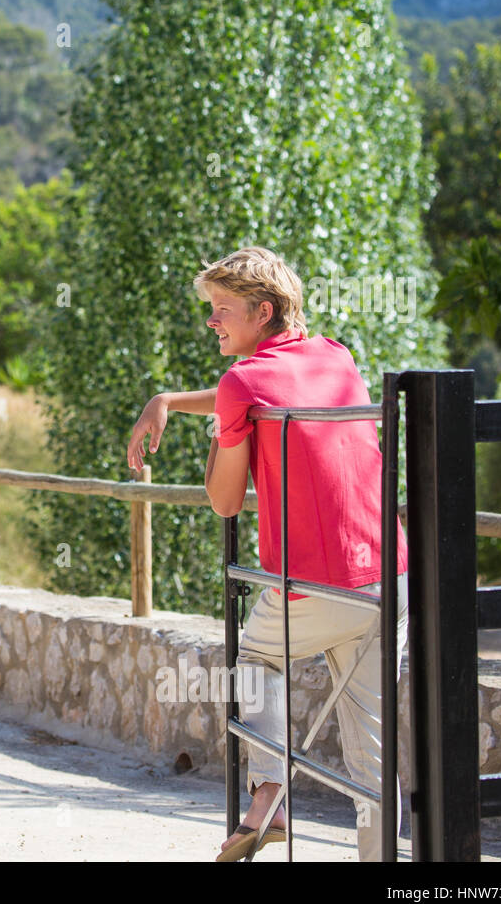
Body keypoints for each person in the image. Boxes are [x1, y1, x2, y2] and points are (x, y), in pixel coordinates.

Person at [128, 247, 409, 862]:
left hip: (315, 588)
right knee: (372, 755)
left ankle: (271, 796)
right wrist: (173, 399)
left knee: (254, 657)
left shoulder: (242, 384)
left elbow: (225, 501)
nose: (212, 323)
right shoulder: (337, 357)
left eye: (221, 311)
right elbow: (266, 384)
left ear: (262, 311)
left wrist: (224, 430)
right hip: (389, 578)